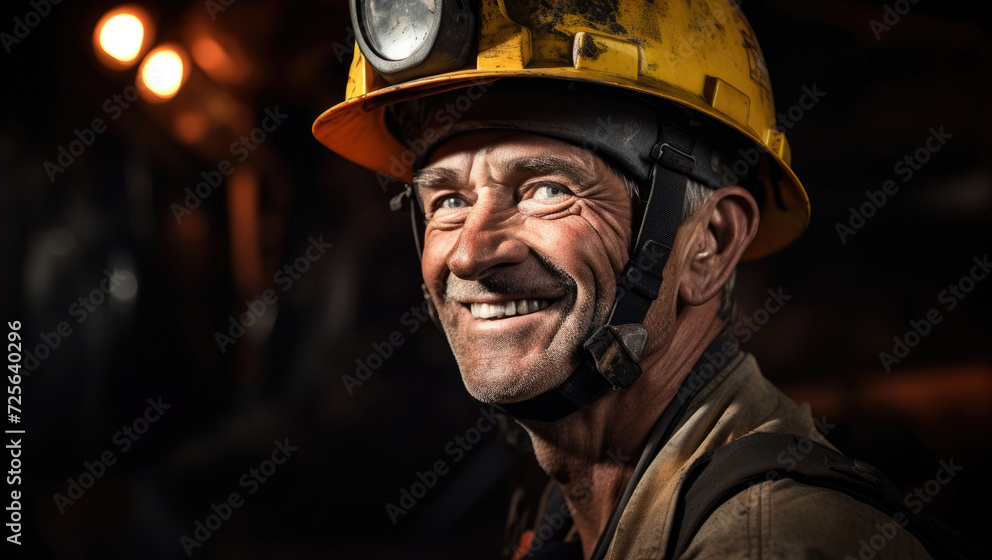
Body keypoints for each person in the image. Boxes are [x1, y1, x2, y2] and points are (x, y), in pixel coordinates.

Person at [312, 1, 978, 558]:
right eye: (448, 200)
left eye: (546, 188)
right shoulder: (569, 511)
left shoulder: (768, 542)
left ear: (708, 246)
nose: (469, 255)